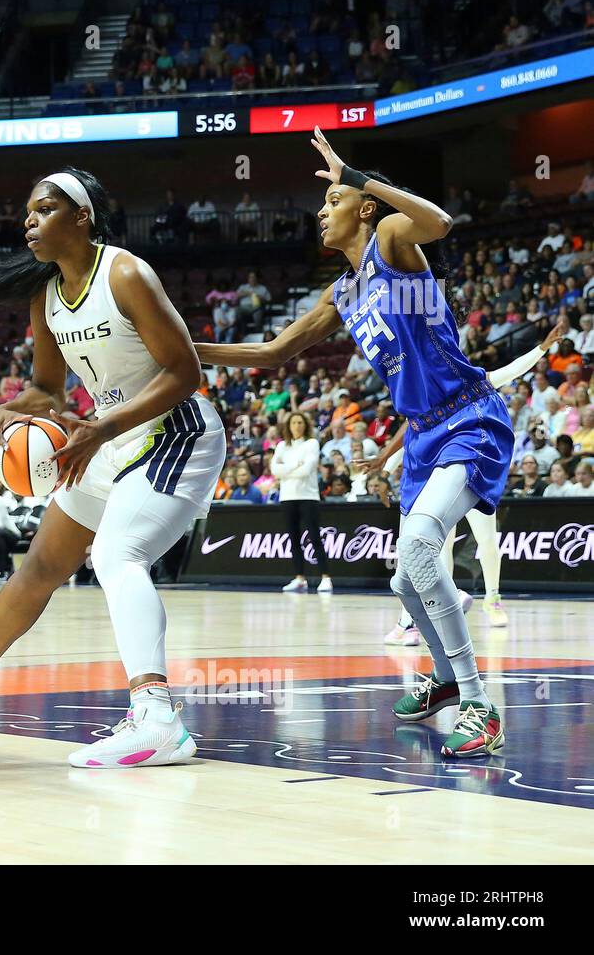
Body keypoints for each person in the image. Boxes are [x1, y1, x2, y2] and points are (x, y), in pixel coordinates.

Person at [192, 129, 512, 758]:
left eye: (330, 201)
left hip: (469, 417)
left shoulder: (392, 241)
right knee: (404, 581)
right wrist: (182, 350)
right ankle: (445, 682)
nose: (321, 211)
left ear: (362, 207)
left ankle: (478, 700)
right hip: (422, 434)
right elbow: (274, 352)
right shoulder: (341, 292)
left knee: (421, 547)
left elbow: (440, 222)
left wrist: (355, 174)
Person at [0, 167, 227, 770]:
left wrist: (101, 427)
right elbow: (48, 388)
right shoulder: (44, 295)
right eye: (27, 212)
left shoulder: (124, 273)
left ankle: (158, 719)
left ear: (83, 218)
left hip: (177, 431)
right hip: (108, 437)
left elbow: (185, 374)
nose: (30, 220)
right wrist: (9, 408)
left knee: (116, 556)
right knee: (41, 565)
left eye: (45, 209)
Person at [373, 319, 568, 639]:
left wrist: (542, 348)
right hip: (442, 469)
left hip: (473, 463)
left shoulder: (470, 382)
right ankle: (438, 608)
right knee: (439, 545)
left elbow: (509, 372)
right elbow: (414, 432)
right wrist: (387, 465)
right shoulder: (427, 395)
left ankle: (493, 599)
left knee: (486, 538)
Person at [272, 411, 332, 593]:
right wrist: (295, 465)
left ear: (305, 425)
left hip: (308, 496)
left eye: (300, 422)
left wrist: (287, 470)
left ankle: (326, 578)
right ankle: (299, 579)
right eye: (293, 423)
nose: (297, 426)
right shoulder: (282, 446)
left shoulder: (312, 443)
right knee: (294, 540)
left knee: (314, 538)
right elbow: (274, 470)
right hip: (287, 497)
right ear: (288, 426)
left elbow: (306, 470)